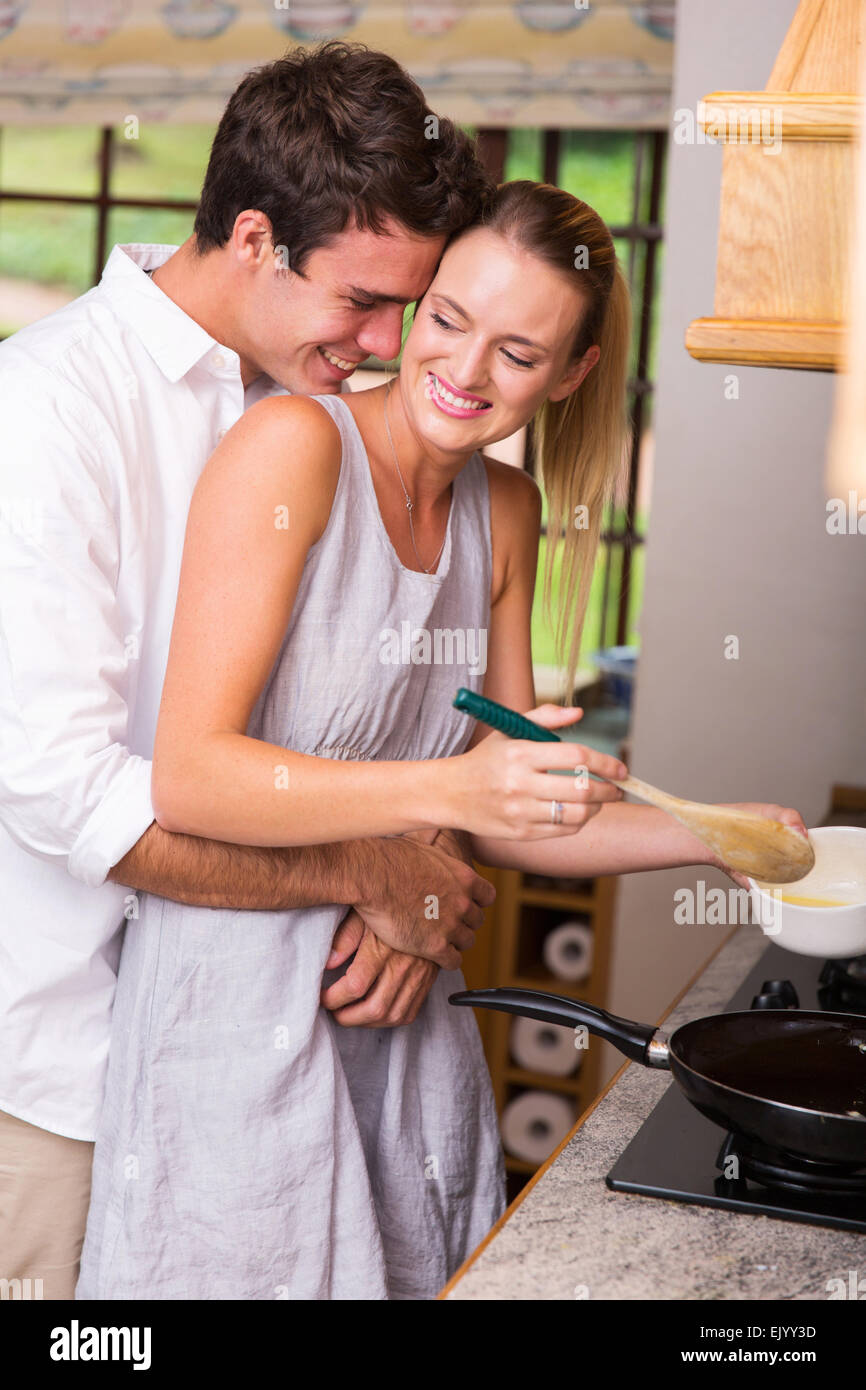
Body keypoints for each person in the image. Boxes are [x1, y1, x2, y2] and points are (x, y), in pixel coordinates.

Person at [77, 179, 808, 1301]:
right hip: (231, 1021)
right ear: (417, 307)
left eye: (518, 353)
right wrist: (459, 797)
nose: (463, 373)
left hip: (403, 1024)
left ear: (569, 374)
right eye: (449, 320)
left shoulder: (502, 515)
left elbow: (515, 821)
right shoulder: (292, 448)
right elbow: (192, 775)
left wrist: (711, 839)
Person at [0, 42, 498, 1301]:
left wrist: (434, 885)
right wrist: (368, 872)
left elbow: (411, 718)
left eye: (414, 307)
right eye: (362, 303)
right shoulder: (46, 410)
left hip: (278, 1063)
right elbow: (67, 792)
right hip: (68, 1079)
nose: (389, 345)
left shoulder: (331, 408)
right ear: (257, 239)